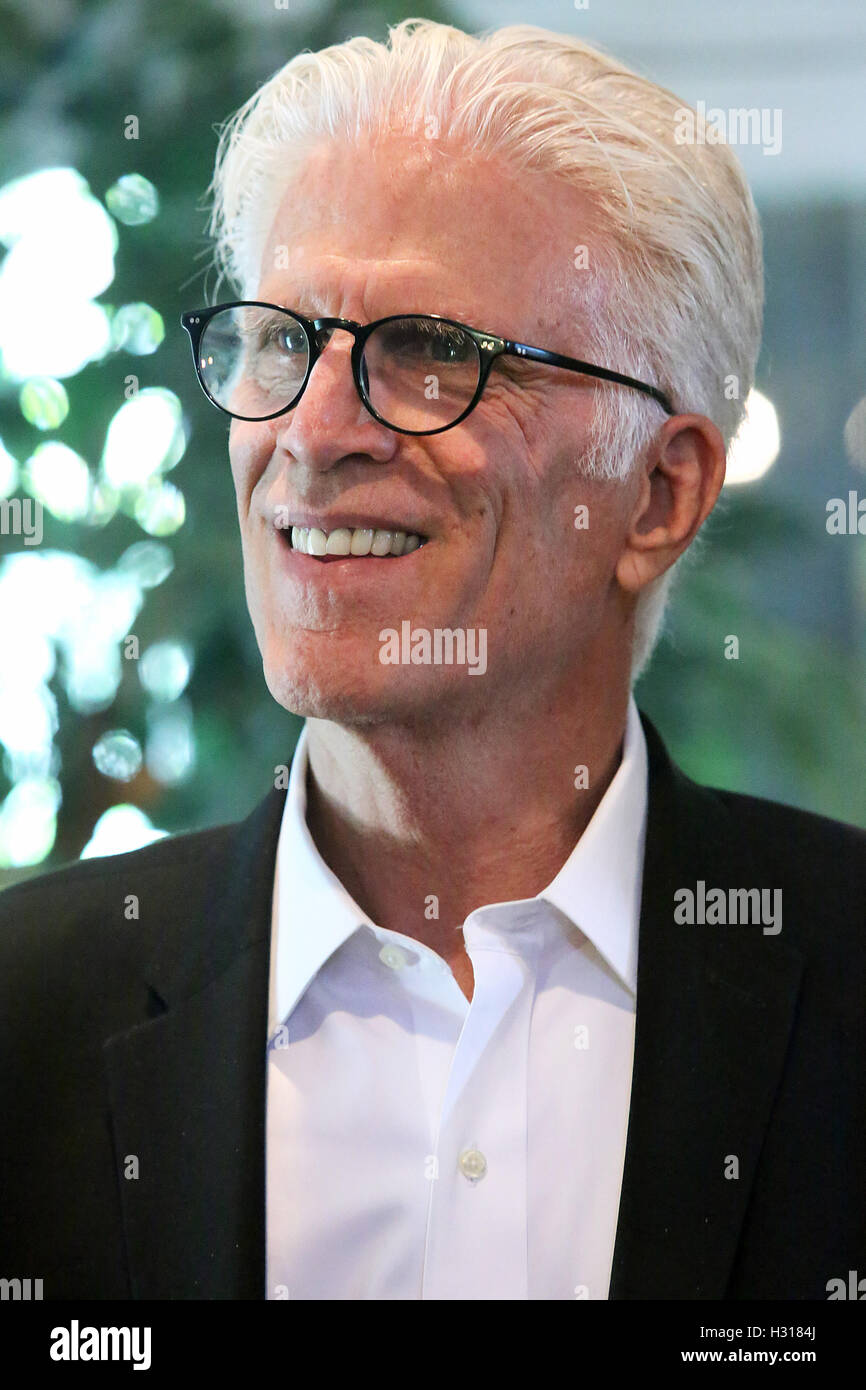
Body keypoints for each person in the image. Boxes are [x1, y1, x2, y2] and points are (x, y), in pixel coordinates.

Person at [1, 19, 863, 1302]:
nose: (310, 432)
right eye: (279, 340)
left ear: (657, 493)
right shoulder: (25, 1019)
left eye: (432, 354)